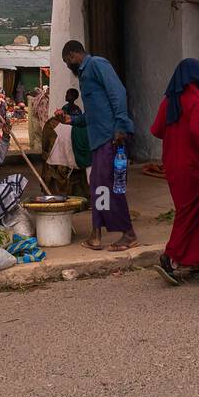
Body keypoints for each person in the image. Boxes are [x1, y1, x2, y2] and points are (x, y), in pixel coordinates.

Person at [62, 39, 137, 252]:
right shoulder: (85, 76)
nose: (68, 66)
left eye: (67, 61)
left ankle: (128, 234)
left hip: (112, 137)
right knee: (97, 186)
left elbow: (118, 93)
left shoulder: (96, 64)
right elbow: (94, 112)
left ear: (72, 56)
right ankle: (96, 234)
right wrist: (72, 120)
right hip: (99, 139)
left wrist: (121, 126)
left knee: (110, 186)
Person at [150, 58, 199, 285]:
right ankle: (171, 256)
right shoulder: (196, 101)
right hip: (195, 167)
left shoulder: (168, 102)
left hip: (173, 166)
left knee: (189, 211)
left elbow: (157, 130)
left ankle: (193, 260)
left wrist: (174, 133)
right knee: (192, 213)